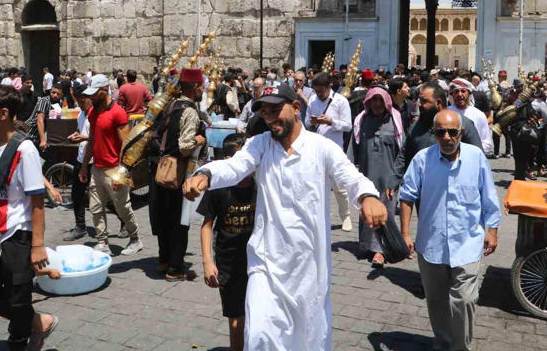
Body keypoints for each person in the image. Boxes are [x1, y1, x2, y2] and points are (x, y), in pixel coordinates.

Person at [182, 83, 387, 351]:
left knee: (308, 339)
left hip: (309, 267)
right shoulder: (260, 145)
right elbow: (235, 166)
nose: (270, 118)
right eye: (265, 113)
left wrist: (368, 197)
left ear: (297, 108)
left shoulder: (321, 148)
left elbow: (350, 177)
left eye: (276, 110)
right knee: (258, 337)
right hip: (266, 263)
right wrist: (205, 174)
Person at [0, 85, 58, 351]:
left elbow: (37, 201)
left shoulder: (25, 149)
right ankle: (39, 322)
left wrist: (37, 246)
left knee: (18, 298)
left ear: (3, 113)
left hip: (19, 231)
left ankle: (19, 341)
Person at [400, 110, 501, 351]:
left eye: (452, 132)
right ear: (433, 134)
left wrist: (493, 229)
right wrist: (405, 234)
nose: (446, 137)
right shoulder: (422, 160)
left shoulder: (476, 157)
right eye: (440, 132)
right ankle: (444, 344)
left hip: (468, 242)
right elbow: (407, 196)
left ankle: (461, 347)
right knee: (436, 302)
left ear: (461, 133)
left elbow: (489, 195)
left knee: (464, 300)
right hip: (431, 243)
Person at [197, 133, 255, 351]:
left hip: (258, 261)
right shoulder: (218, 188)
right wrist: (207, 261)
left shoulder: (261, 185)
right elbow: (207, 225)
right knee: (236, 316)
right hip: (229, 261)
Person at [150, 68, 206, 280]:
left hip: (162, 168)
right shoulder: (190, 111)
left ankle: (163, 260)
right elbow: (184, 146)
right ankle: (175, 268)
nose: (203, 89)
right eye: (201, 85)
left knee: (164, 218)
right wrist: (199, 140)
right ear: (194, 87)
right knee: (179, 220)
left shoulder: (172, 105)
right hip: (178, 173)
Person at [79, 74, 142, 256]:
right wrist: (84, 166)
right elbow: (91, 140)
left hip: (114, 168)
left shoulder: (118, 113)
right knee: (96, 208)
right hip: (96, 167)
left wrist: (122, 172)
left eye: (94, 94)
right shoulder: (92, 112)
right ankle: (102, 241)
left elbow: (126, 145)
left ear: (103, 90)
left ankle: (135, 239)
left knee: (123, 208)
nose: (90, 98)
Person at [348, 87, 404, 269]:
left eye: (381, 100)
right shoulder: (361, 122)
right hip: (366, 177)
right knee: (367, 211)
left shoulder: (395, 122)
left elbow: (402, 152)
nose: (377, 104)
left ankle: (381, 251)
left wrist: (398, 178)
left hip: (388, 178)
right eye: (374, 100)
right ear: (368, 102)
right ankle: (366, 246)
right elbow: (352, 150)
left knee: (385, 212)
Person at [393, 82, 483, 184]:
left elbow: (478, 158)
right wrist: (394, 180)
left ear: (438, 103)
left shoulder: (462, 123)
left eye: (424, 101)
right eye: (419, 100)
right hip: (424, 192)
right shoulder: (416, 127)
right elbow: (404, 154)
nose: (419, 104)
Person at [305, 72, 354, 232]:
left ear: (329, 87)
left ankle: (345, 216)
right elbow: (306, 122)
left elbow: (348, 125)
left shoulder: (341, 101)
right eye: (316, 91)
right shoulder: (312, 100)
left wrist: (330, 122)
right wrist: (312, 122)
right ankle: (317, 216)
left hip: (334, 148)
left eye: (321, 91)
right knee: (316, 184)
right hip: (315, 147)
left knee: (339, 186)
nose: (318, 95)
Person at [64, 83, 92, 241]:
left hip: (94, 160)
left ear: (89, 98)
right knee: (77, 194)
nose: (80, 105)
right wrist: (77, 135)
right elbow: (82, 132)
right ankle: (80, 226)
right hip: (81, 158)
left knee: (105, 197)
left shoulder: (95, 114)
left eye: (82, 101)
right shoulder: (82, 115)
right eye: (78, 101)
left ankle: (124, 222)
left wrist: (84, 137)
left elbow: (97, 136)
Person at [447, 78, 493, 156]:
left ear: (469, 94)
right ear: (452, 94)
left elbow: (486, 143)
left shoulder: (479, 115)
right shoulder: (445, 114)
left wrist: (471, 154)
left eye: (463, 91)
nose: (460, 94)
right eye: (456, 91)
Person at [24, 83, 62, 152]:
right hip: (31, 133)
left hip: (42, 134)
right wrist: (43, 140)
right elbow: (40, 120)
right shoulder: (44, 101)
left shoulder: (60, 103)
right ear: (50, 91)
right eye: (53, 92)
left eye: (58, 94)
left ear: (61, 95)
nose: (55, 95)